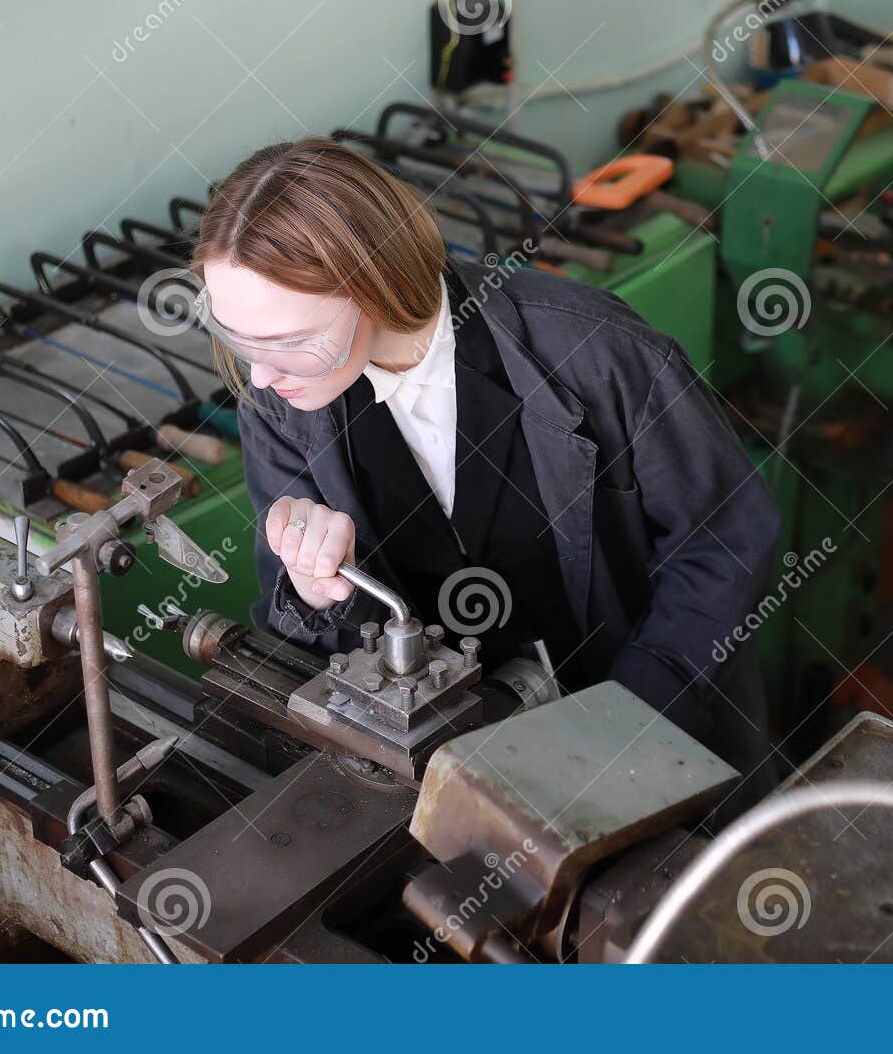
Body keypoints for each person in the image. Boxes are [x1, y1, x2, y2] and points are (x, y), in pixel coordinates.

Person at [191, 137, 779, 795]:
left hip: (649, 745)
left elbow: (727, 538)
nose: (261, 374)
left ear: (376, 279)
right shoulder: (282, 407)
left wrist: (629, 721)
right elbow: (296, 641)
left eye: (290, 342)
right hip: (450, 774)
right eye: (238, 340)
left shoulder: (595, 350)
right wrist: (313, 592)